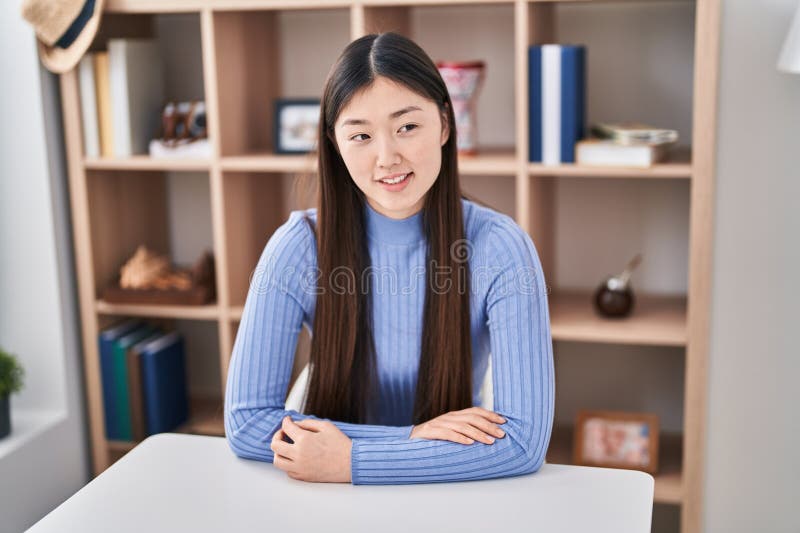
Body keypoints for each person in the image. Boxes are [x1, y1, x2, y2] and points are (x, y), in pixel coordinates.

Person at [224, 32, 554, 485]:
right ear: (336, 146)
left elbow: (524, 442)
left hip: (447, 494)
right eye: (360, 135)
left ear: (443, 123)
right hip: (328, 495)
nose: (387, 158)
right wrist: (410, 440)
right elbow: (246, 424)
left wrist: (351, 460)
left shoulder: (501, 248)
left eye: (407, 127)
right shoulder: (297, 246)